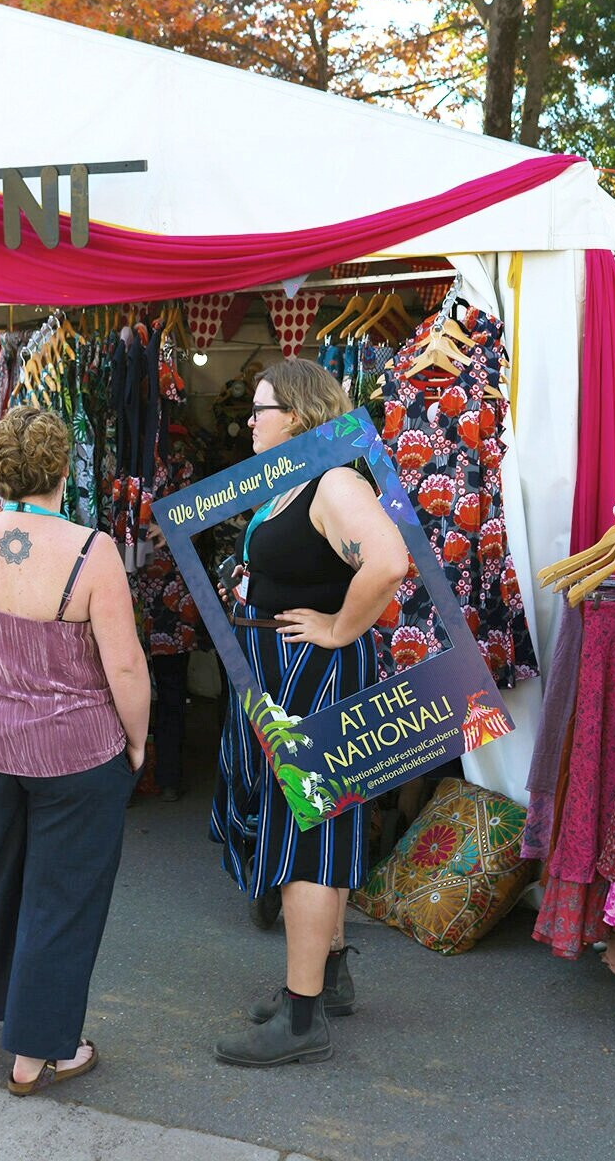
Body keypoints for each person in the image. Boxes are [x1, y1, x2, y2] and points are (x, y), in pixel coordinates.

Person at [0, 405, 149, 1096]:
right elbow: (125, 666)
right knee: (61, 898)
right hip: (73, 752)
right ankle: (37, 1053)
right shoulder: (92, 551)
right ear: (63, 469)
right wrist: (137, 741)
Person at [209, 359, 407, 1068]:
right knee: (314, 827)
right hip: (285, 672)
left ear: (295, 414)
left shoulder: (334, 482)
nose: (249, 420)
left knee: (309, 837)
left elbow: (388, 562)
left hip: (313, 675)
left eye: (259, 409)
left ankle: (302, 1019)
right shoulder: (293, 480)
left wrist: (337, 628)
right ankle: (329, 978)